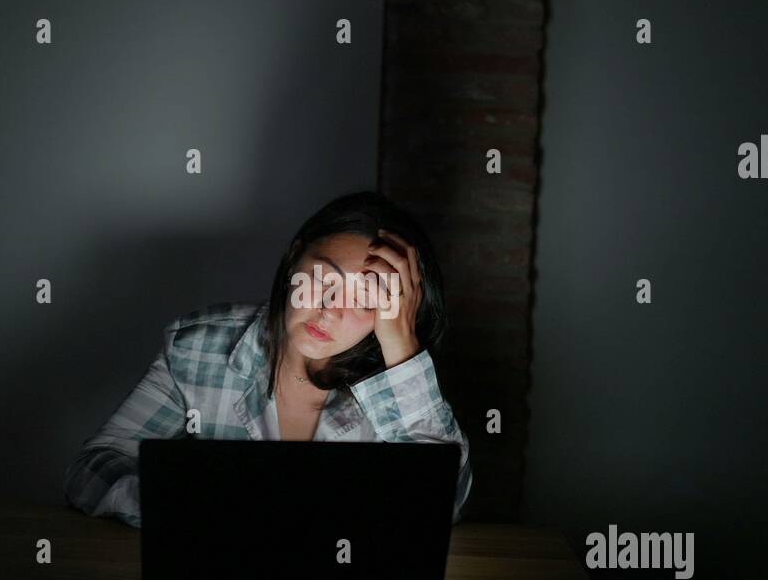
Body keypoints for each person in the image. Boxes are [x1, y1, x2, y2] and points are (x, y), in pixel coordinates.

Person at [63, 190, 473, 526]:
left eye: (366, 300)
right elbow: (95, 465)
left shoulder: (396, 382)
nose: (331, 310)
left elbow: (444, 504)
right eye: (321, 279)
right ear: (294, 259)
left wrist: (402, 348)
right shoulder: (199, 349)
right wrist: (194, 512)